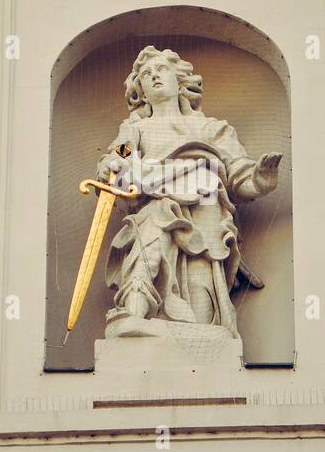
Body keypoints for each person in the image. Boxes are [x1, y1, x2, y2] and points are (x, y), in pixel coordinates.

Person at [97, 45, 281, 338]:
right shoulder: (136, 129)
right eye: (146, 74)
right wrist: (111, 166)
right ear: (140, 90)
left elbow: (238, 173)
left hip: (206, 208)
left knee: (201, 273)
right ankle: (134, 313)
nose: (154, 77)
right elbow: (120, 156)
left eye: (161, 70)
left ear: (179, 80)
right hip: (157, 200)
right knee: (150, 241)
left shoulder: (210, 128)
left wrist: (260, 179)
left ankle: (202, 333)